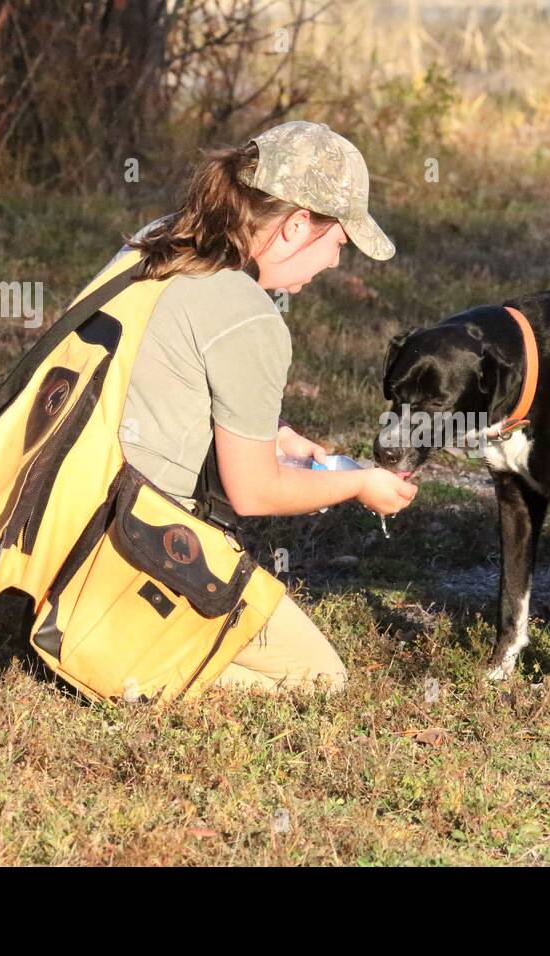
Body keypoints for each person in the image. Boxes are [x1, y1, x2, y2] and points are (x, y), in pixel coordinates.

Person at [99, 120, 418, 694]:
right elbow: (254, 492)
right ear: (298, 225)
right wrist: (358, 484)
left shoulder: (157, 241)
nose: (334, 266)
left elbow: (162, 385)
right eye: (338, 244)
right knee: (319, 677)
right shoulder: (248, 314)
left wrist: (273, 435)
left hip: (64, 510)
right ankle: (122, 659)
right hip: (130, 539)